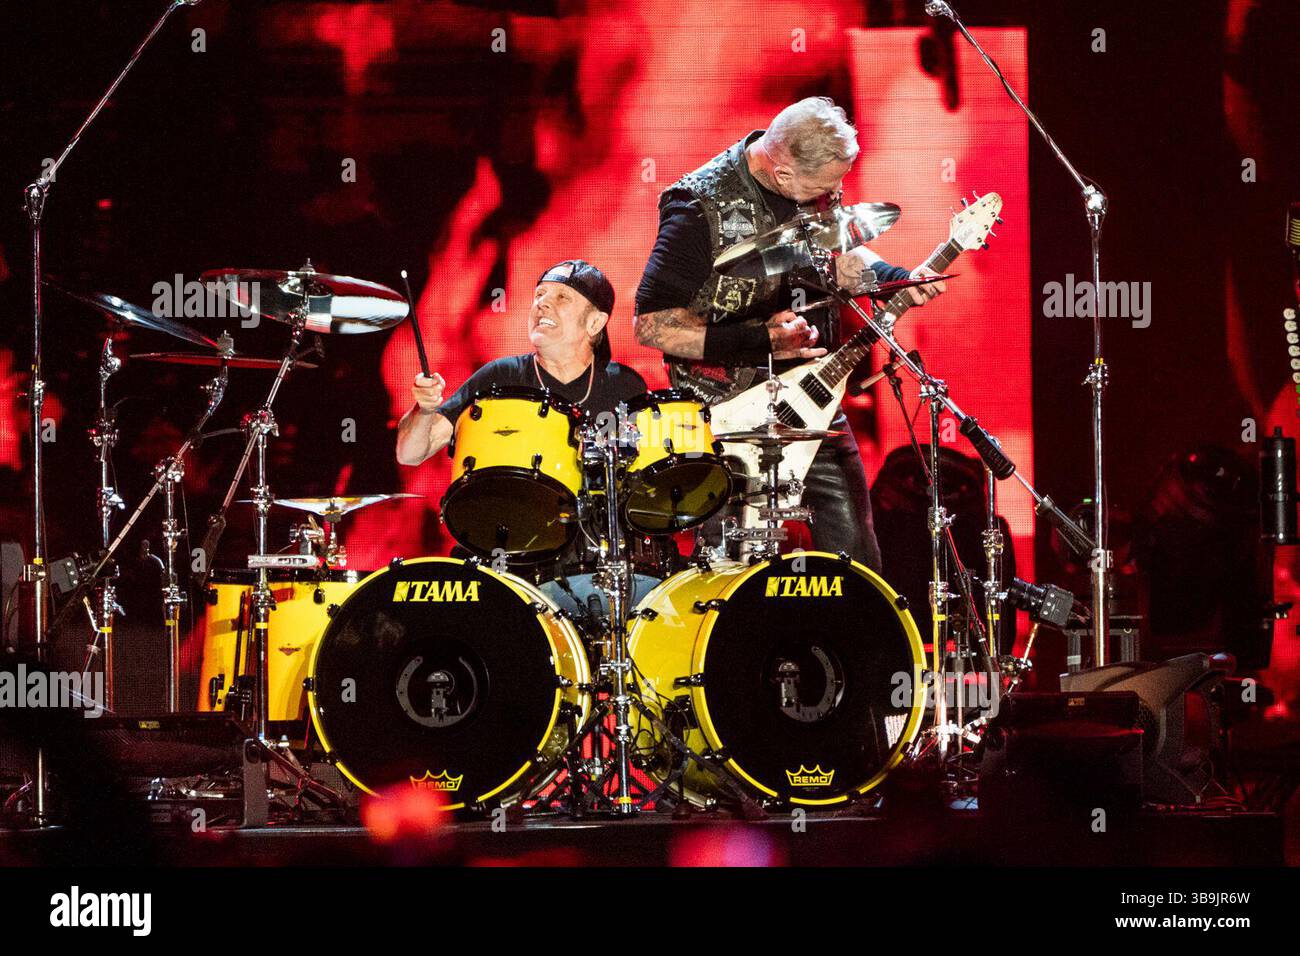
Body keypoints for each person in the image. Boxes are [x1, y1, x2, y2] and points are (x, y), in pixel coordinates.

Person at [633, 96, 946, 571]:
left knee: (858, 560)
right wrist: (760, 339)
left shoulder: (814, 187)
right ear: (782, 176)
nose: (837, 191)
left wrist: (893, 278)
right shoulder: (696, 208)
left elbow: (834, 259)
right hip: (724, 417)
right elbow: (651, 326)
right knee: (728, 571)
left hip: (812, 400)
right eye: (827, 184)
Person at [396, 259, 655, 623]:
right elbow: (410, 453)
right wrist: (423, 411)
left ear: (595, 322)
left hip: (600, 561)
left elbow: (646, 481)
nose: (542, 304)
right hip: (510, 556)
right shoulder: (500, 376)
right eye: (539, 296)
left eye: (562, 297)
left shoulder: (625, 386)